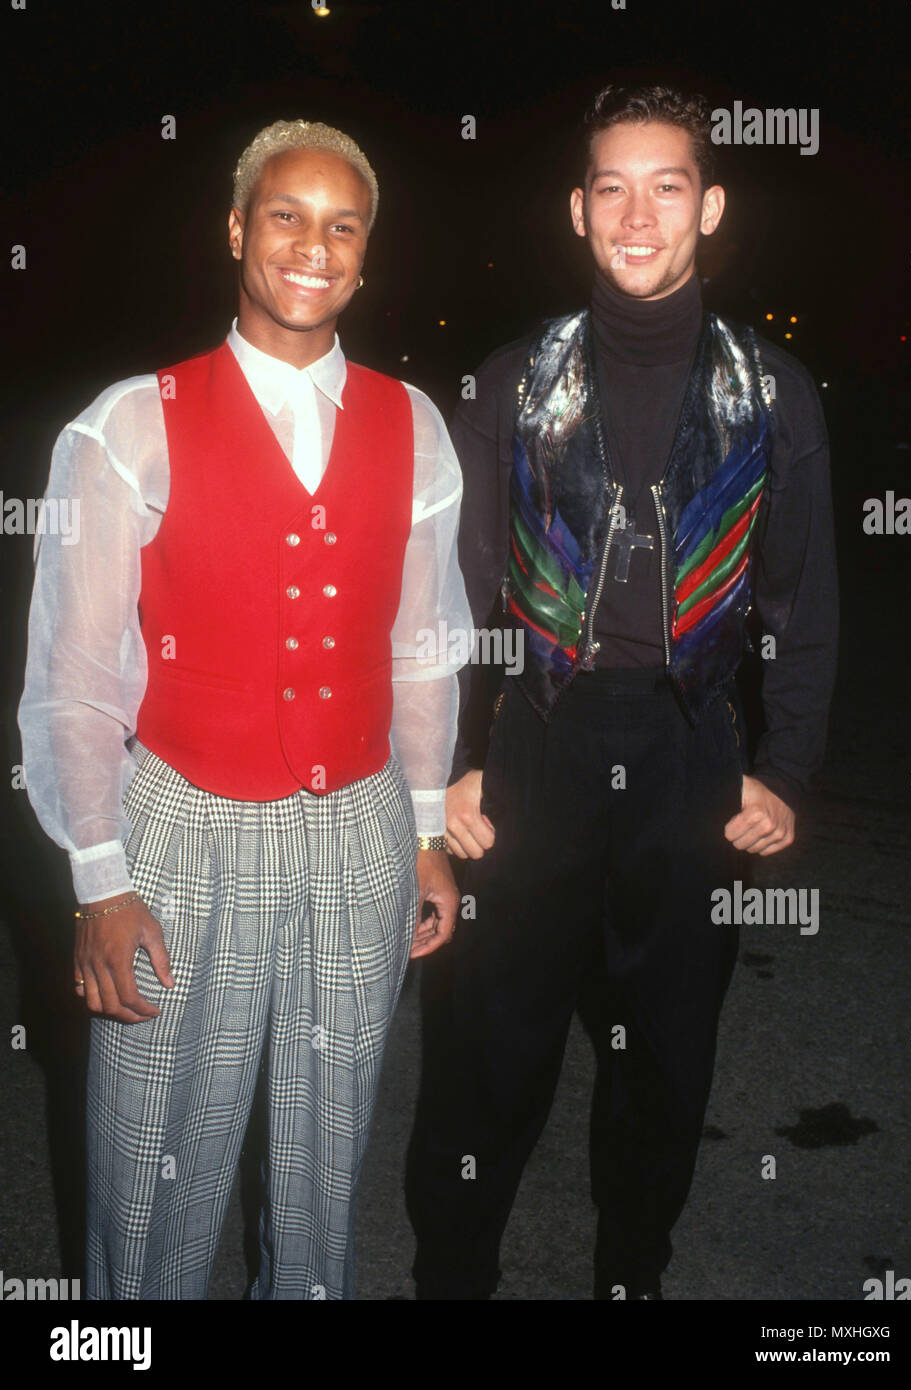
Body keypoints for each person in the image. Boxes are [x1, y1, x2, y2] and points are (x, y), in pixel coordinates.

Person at [18, 118, 470, 1300]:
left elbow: (423, 652)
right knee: (154, 1165)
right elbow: (74, 672)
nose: (312, 246)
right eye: (286, 215)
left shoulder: (414, 426)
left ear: (366, 255)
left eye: (341, 225)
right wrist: (98, 878)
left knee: (326, 1173)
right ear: (235, 230)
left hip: (362, 828)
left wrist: (425, 832)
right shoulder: (127, 423)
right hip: (183, 829)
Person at [405, 85, 838, 1300]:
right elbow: (454, 602)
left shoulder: (773, 389)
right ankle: (453, 1279)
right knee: (488, 1057)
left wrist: (787, 768)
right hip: (538, 745)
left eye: (664, 186)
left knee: (661, 1066)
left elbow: (804, 607)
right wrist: (448, 765)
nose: (636, 213)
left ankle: (630, 1279)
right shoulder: (510, 381)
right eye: (610, 186)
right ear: (577, 211)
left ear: (708, 205)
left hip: (689, 751)